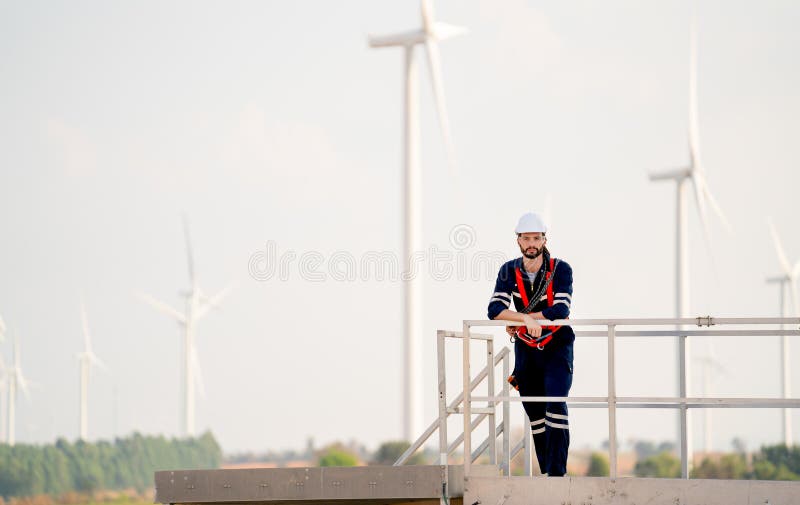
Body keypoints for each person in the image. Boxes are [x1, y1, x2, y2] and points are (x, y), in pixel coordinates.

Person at [487, 212, 575, 476]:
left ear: (545, 239)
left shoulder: (561, 269)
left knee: (555, 402)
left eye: (536, 238)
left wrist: (521, 319)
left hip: (557, 345)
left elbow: (561, 309)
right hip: (526, 349)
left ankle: (557, 473)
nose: (532, 243)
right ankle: (547, 471)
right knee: (535, 411)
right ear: (518, 241)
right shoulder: (508, 270)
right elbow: (494, 309)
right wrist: (525, 318)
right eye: (526, 238)